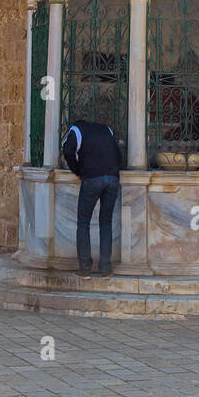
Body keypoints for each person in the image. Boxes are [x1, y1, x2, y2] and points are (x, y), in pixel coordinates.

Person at [61, 118, 125, 277]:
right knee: (106, 222)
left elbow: (68, 151)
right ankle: (105, 267)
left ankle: (85, 268)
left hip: (92, 179)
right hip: (112, 179)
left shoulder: (76, 129)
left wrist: (78, 171)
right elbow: (119, 154)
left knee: (83, 222)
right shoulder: (106, 129)